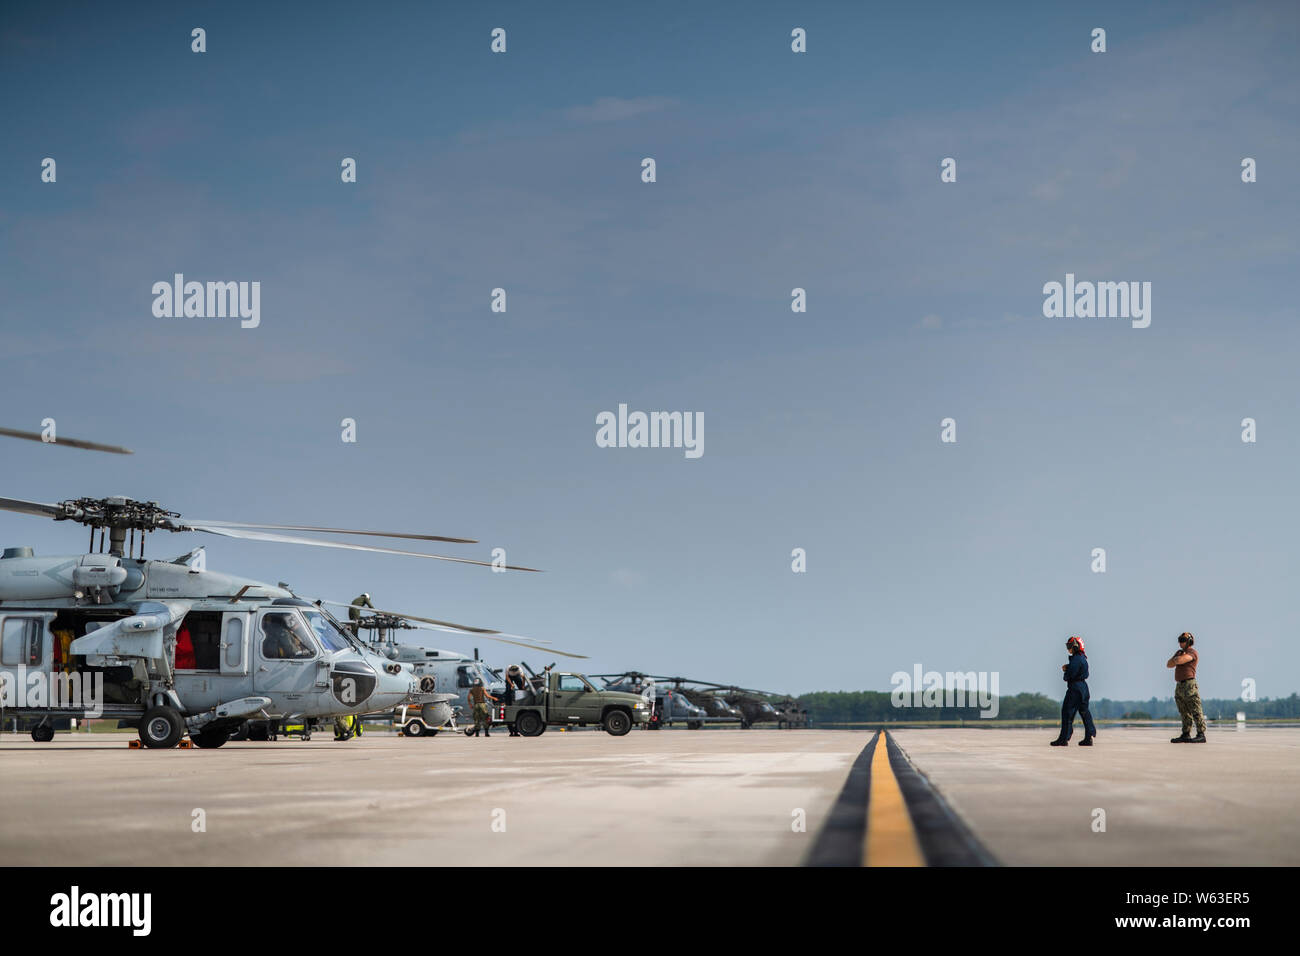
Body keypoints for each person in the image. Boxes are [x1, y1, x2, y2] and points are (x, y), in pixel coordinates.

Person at [1051, 636, 1097, 746]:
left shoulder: (1076, 659)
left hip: (1075, 688)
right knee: (1085, 712)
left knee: (1067, 712)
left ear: (1075, 646)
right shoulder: (1082, 658)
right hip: (1084, 688)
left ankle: (1063, 739)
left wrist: (1066, 671)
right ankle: (1089, 737)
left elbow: (1069, 676)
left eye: (1069, 646)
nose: (1068, 649)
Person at [1167, 632, 1207, 743]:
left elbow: (1179, 661)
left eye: (1183, 639)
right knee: (1184, 711)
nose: (1181, 642)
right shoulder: (1179, 653)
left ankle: (1201, 734)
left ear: (1189, 641)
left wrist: (1176, 658)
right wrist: (1177, 657)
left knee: (1195, 709)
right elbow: (1169, 664)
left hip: (1189, 685)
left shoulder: (1192, 652)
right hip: (1180, 685)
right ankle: (1186, 733)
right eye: (1180, 639)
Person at [503, 664, 528, 736]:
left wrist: (522, 686)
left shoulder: (520, 670)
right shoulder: (508, 669)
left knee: (520, 686)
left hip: (517, 677)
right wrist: (511, 684)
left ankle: (522, 698)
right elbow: (507, 677)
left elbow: (523, 678)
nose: (513, 673)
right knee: (508, 688)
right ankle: (508, 701)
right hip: (509, 677)